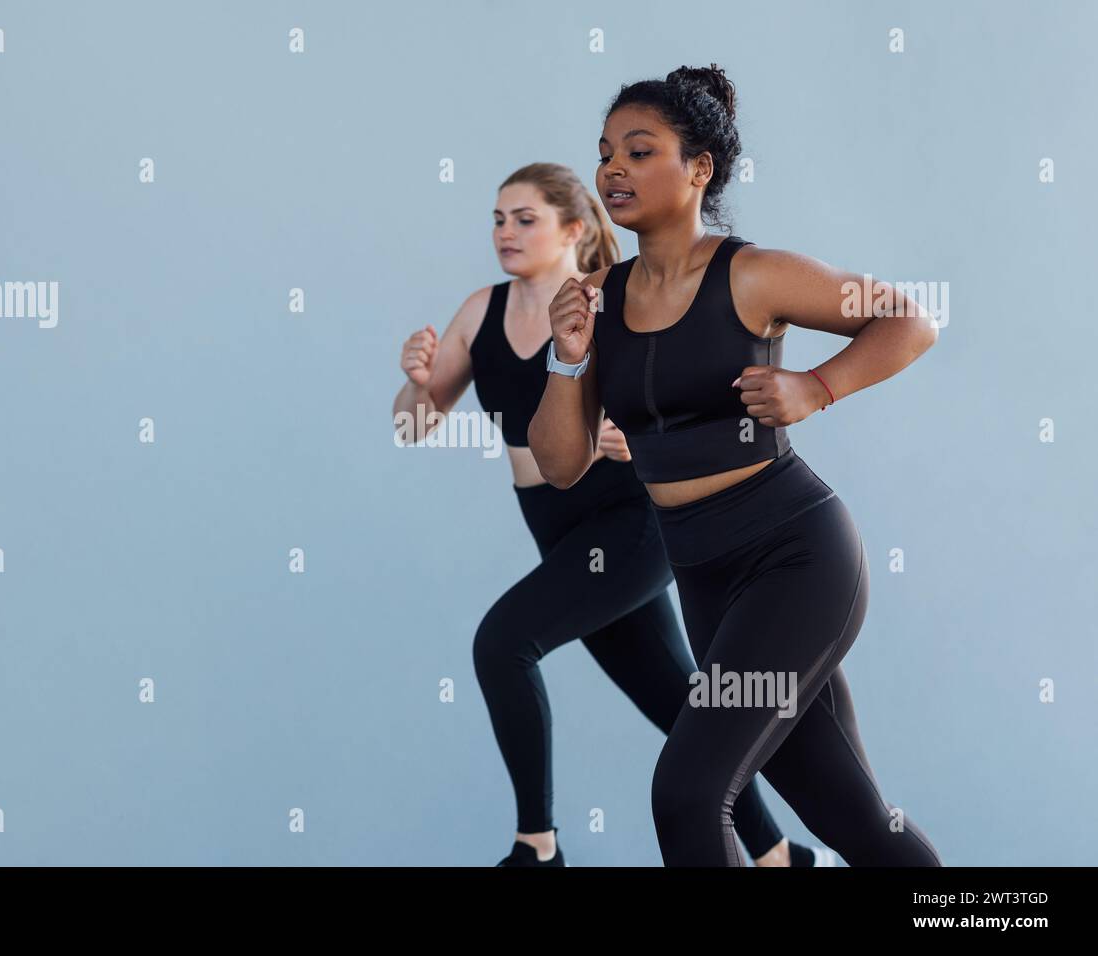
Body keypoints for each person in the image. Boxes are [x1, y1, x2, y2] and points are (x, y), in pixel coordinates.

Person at [528, 67, 943, 866]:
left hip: (796, 557)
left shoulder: (751, 274)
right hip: (706, 583)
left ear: (699, 169)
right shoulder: (597, 300)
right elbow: (562, 463)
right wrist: (569, 357)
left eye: (638, 151)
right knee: (855, 820)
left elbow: (911, 319)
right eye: (605, 153)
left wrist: (816, 386)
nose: (612, 169)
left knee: (687, 793)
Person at [393, 162, 833, 867]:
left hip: (629, 525)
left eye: (524, 218)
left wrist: (622, 433)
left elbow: (665, 395)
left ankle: (537, 846)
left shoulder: (601, 303)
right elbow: (412, 428)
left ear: (573, 228)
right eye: (498, 219)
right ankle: (781, 857)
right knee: (678, 706)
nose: (505, 232)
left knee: (502, 643)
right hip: (558, 533)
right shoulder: (481, 311)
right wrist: (418, 387)